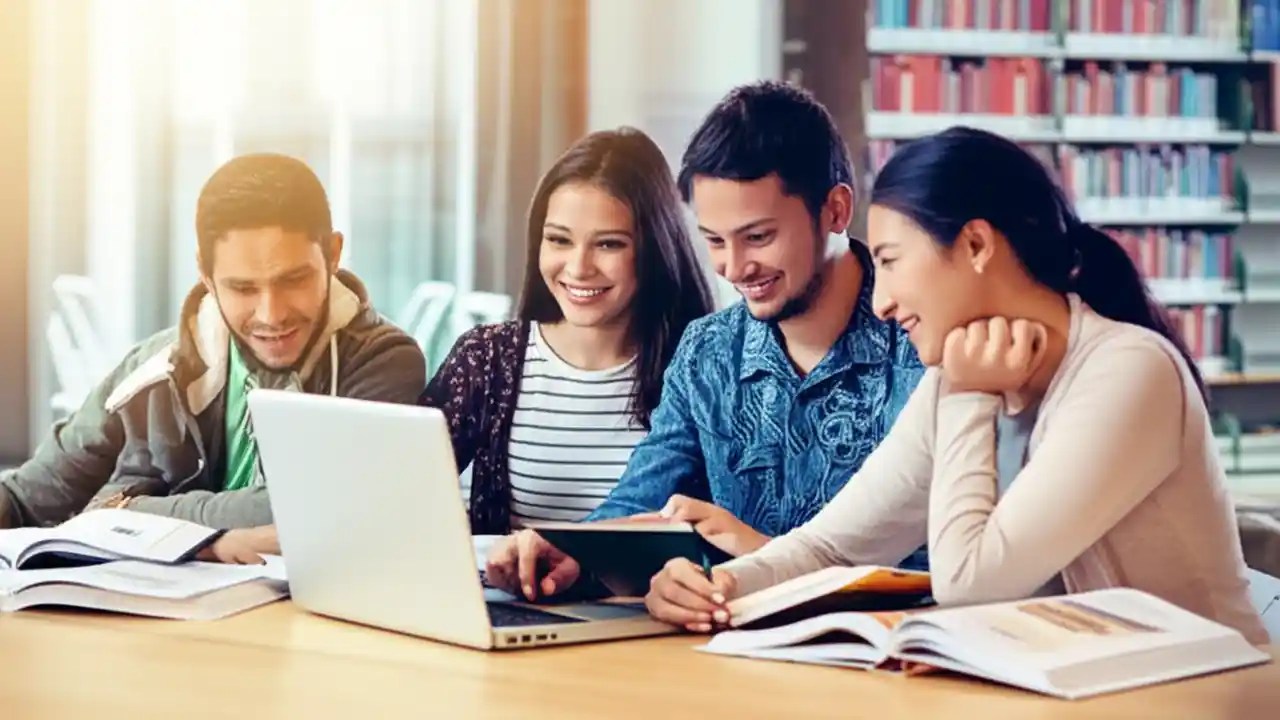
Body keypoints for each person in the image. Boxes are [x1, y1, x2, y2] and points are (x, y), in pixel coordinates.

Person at [642, 126, 1268, 644]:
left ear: (974, 244)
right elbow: (834, 546)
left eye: (889, 261)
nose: (880, 302)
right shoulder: (956, 378)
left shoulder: (1129, 370)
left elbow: (973, 581)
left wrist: (970, 397)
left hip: (1195, 699)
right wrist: (717, 585)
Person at [485, 81, 925, 602]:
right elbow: (639, 501)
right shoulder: (708, 351)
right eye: (715, 240)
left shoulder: (920, 338)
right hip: (727, 656)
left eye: (758, 237)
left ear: (834, 209)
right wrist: (569, 553)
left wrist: (759, 556)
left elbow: (944, 569)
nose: (734, 268)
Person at [0, 154, 426, 560]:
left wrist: (128, 514)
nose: (271, 314)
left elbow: (320, 509)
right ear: (205, 274)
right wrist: (204, 534)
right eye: (243, 288)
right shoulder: (155, 368)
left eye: (294, 279)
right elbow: (27, 499)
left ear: (332, 255)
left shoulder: (383, 362)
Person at [420, 127, 714, 534]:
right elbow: (401, 493)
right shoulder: (488, 359)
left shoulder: (701, 372)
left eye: (608, 244)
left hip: (647, 599)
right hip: (505, 596)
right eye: (559, 240)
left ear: (655, 248)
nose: (578, 268)